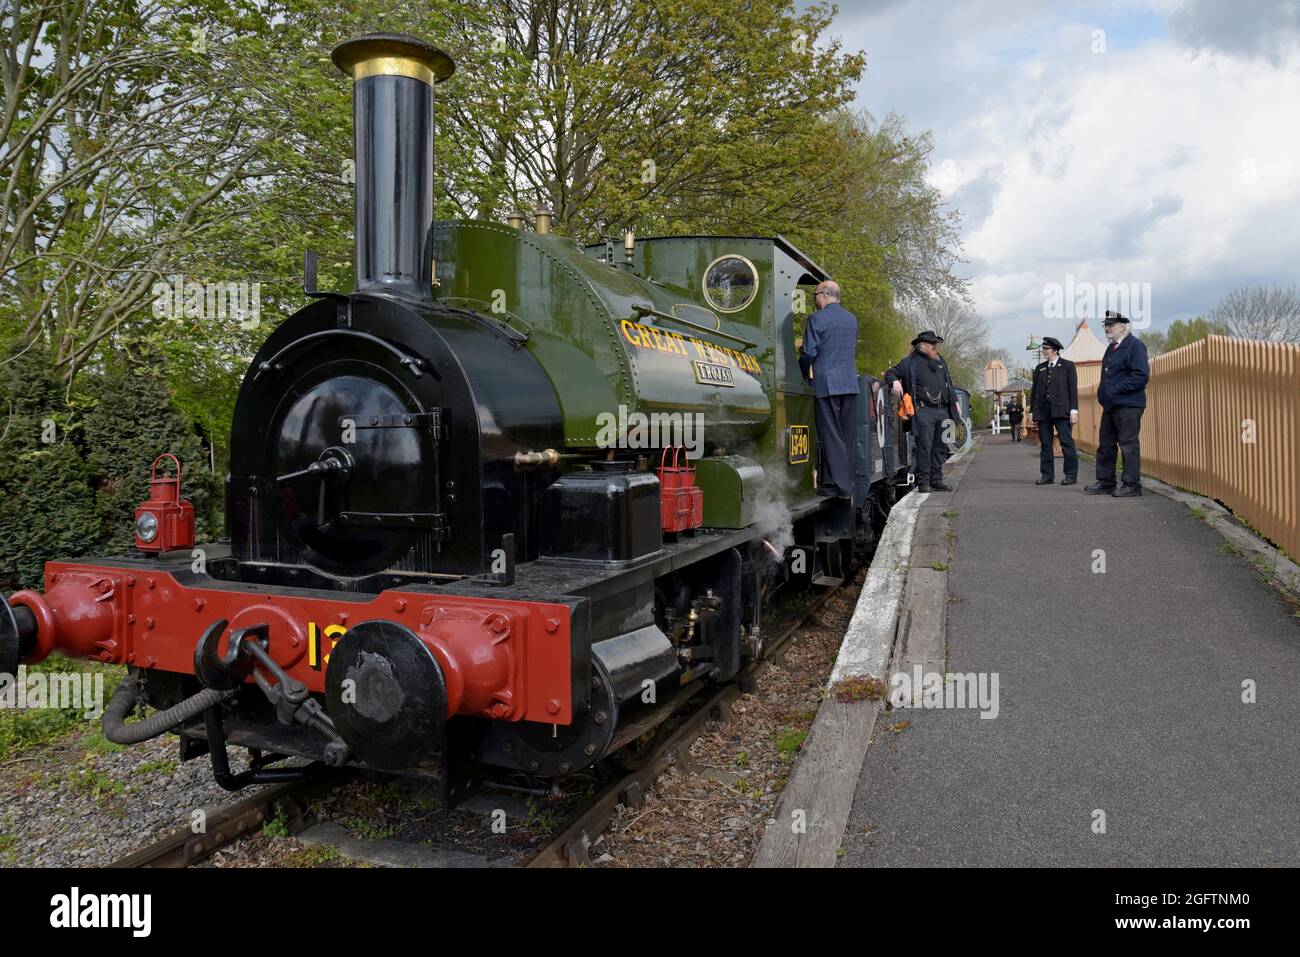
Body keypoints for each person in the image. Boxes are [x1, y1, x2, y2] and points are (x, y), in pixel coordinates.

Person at [798, 280, 858, 497]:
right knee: (844, 436)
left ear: (823, 295)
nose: (814, 299)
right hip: (850, 384)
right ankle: (842, 482)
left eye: (815, 295)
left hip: (827, 384)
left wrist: (803, 374)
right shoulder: (851, 320)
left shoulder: (817, 318)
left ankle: (842, 488)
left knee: (830, 435)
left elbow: (808, 353)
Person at [885, 330, 959, 493]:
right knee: (924, 447)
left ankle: (936, 479)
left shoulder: (941, 362)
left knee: (940, 447)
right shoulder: (910, 362)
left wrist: (956, 402)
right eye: (932, 345)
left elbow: (949, 383)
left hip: (943, 409)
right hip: (923, 410)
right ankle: (924, 482)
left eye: (935, 344)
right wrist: (895, 381)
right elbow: (890, 373)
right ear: (922, 346)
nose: (935, 347)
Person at [1086, 310, 1149, 498]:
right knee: (1105, 444)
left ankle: (1132, 485)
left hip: (1128, 404)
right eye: (1105, 325)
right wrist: (1103, 393)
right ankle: (1106, 481)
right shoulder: (1111, 348)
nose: (1107, 328)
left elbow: (1141, 375)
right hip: (1112, 405)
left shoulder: (1134, 346)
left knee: (1128, 445)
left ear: (1122, 327)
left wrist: (1115, 390)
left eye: (1110, 325)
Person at [1029, 336, 1079, 484]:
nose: (1044, 351)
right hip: (1044, 412)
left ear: (1055, 350)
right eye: (1043, 349)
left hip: (1061, 410)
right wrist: (1032, 411)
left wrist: (1074, 410)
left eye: (1047, 349)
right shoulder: (1040, 368)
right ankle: (1047, 475)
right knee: (1045, 443)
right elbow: (1035, 392)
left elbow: (1072, 390)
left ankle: (1071, 475)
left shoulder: (1068, 366)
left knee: (1066, 442)